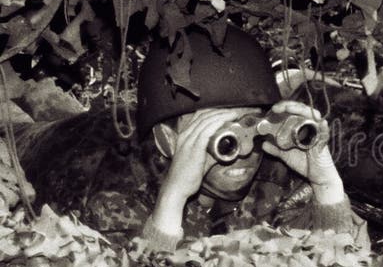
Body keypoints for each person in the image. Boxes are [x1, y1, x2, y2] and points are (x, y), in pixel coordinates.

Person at [134, 24, 359, 250]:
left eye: (250, 125)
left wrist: (326, 183)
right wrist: (171, 200)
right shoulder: (126, 200)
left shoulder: (276, 189)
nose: (245, 150)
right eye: (225, 140)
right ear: (167, 139)